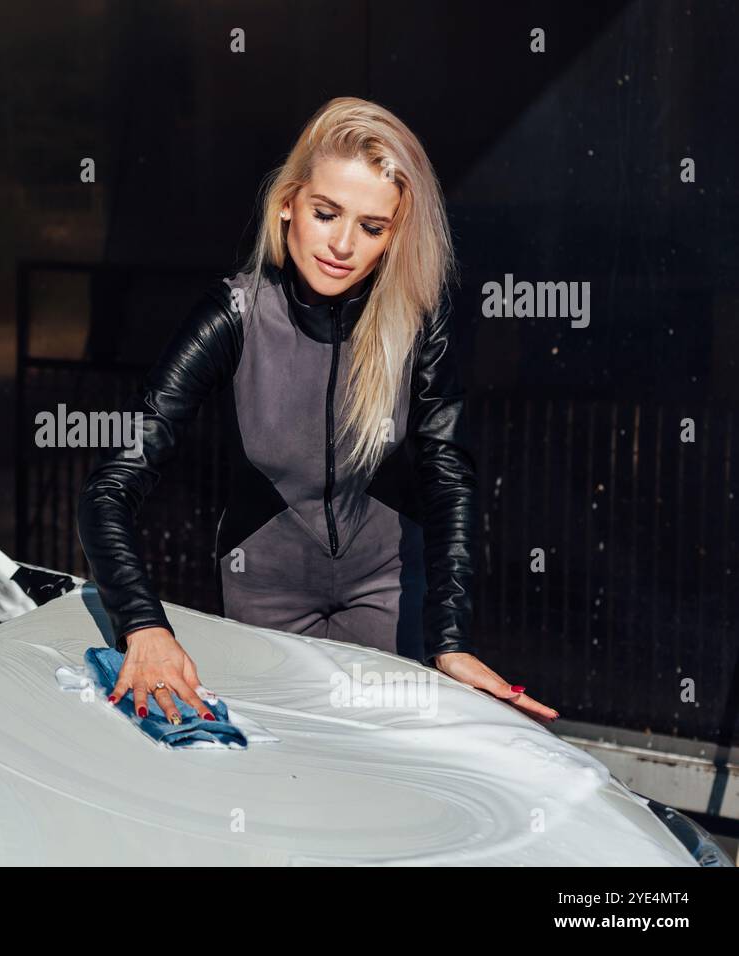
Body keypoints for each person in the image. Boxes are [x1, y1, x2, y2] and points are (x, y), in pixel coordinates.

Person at [76, 97, 557, 727]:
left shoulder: (416, 316)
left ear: (396, 234)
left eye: (373, 227)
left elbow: (448, 475)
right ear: (287, 204)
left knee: (382, 770)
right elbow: (109, 486)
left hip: (388, 586)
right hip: (263, 589)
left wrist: (451, 640)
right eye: (326, 213)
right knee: (281, 779)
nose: (343, 245)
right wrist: (144, 626)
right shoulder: (233, 314)